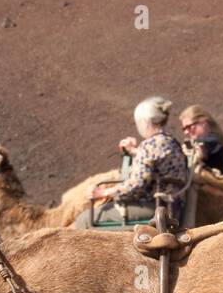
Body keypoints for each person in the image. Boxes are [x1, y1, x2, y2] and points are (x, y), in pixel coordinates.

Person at [73, 96, 189, 228]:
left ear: (144, 121)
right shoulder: (170, 142)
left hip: (154, 207)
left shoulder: (149, 145)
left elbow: (137, 184)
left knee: (84, 220)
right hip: (172, 206)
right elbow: (157, 162)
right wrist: (135, 151)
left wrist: (103, 193)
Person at [179, 105, 223, 176]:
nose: (186, 132)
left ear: (203, 122)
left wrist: (197, 150)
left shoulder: (214, 141)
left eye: (189, 127)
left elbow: (205, 146)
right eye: (184, 129)